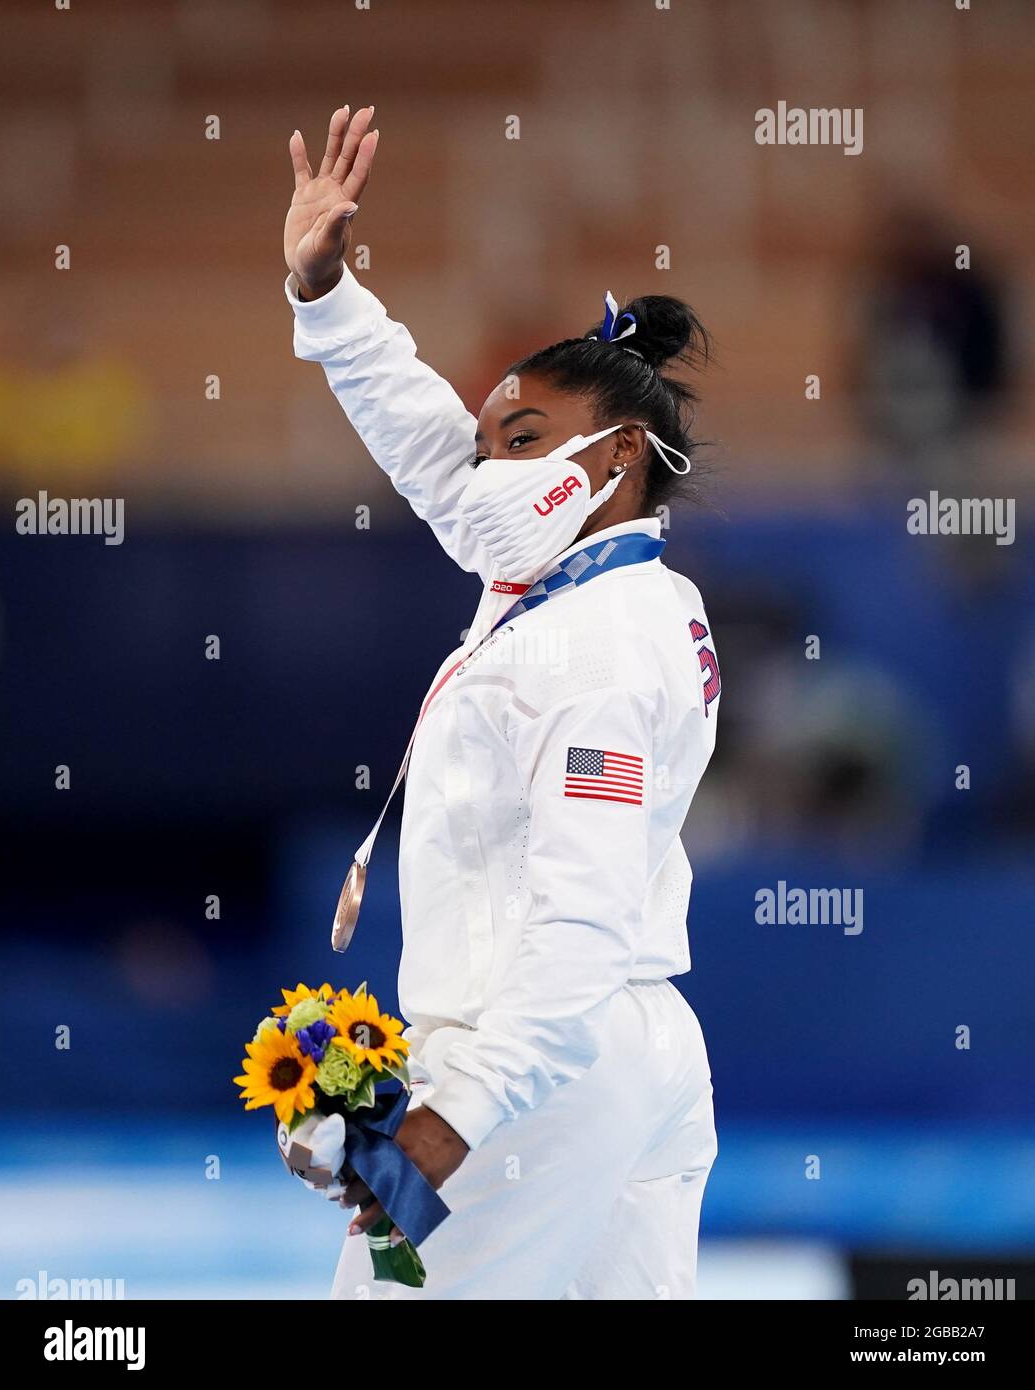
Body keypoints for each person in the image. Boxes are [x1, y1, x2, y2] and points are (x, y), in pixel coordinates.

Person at [283, 106, 721, 1300]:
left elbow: (575, 924)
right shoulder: (578, 579)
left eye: (518, 440)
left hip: (539, 1067)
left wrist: (445, 1126)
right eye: (488, 444)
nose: (483, 470)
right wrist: (328, 296)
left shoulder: (592, 645)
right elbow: (440, 456)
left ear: (614, 457)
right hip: (625, 1056)